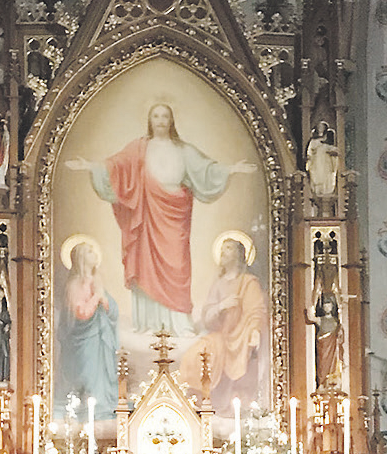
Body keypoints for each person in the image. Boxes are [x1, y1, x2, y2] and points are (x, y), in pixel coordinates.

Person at [65, 103, 257, 335]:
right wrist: (91, 166)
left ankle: (180, 323)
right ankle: (148, 323)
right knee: (145, 264)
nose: (160, 120)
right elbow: (116, 166)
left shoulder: (183, 150)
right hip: (147, 212)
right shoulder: (139, 148)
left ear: (171, 120)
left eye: (165, 116)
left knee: (177, 265)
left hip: (176, 212)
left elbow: (205, 169)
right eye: (156, 116)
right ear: (150, 120)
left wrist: (231, 169)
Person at [178, 236, 267, 403]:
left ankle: (223, 402)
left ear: (239, 254)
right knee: (194, 354)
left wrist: (254, 331)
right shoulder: (219, 283)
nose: (223, 252)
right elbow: (207, 315)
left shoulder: (248, 282)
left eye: (228, 248)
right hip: (220, 334)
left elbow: (256, 311)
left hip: (240, 334)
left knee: (221, 354)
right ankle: (198, 399)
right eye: (222, 249)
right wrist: (221, 307)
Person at [57, 238, 119, 418]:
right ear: (82, 258)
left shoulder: (96, 280)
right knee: (88, 372)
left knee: (100, 373)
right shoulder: (75, 284)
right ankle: (87, 408)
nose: (95, 256)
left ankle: (102, 405)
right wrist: (96, 297)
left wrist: (104, 299)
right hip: (83, 340)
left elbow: (112, 309)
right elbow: (81, 313)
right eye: (90, 252)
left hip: (99, 338)